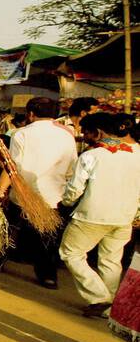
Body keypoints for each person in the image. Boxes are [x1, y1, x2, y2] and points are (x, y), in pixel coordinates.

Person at [58, 112, 140, 317]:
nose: (84, 135)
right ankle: (109, 306)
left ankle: (99, 297)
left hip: (91, 216)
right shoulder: (137, 155)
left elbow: (73, 190)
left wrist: (65, 202)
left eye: (86, 131)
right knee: (111, 260)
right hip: (124, 217)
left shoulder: (91, 156)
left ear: (98, 132)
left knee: (70, 253)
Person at [2, 96, 78, 288]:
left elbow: (14, 166)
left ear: (30, 114)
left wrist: (2, 188)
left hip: (22, 193)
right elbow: (72, 167)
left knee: (11, 228)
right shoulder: (67, 134)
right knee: (48, 238)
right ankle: (48, 275)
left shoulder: (21, 134)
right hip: (54, 194)